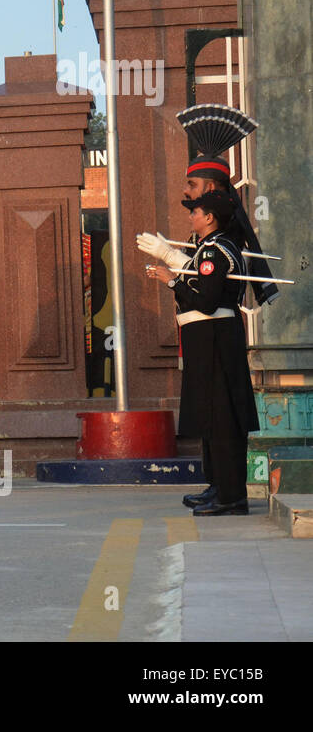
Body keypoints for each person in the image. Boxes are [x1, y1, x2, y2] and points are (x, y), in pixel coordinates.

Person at [146, 191, 258, 516]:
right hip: (207, 340)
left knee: (222, 419)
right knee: (212, 417)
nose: (191, 218)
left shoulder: (214, 249)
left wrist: (171, 281)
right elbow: (201, 280)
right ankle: (219, 487)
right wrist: (172, 260)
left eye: (194, 212)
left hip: (214, 340)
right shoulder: (209, 249)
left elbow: (206, 300)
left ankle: (231, 496)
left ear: (209, 218)